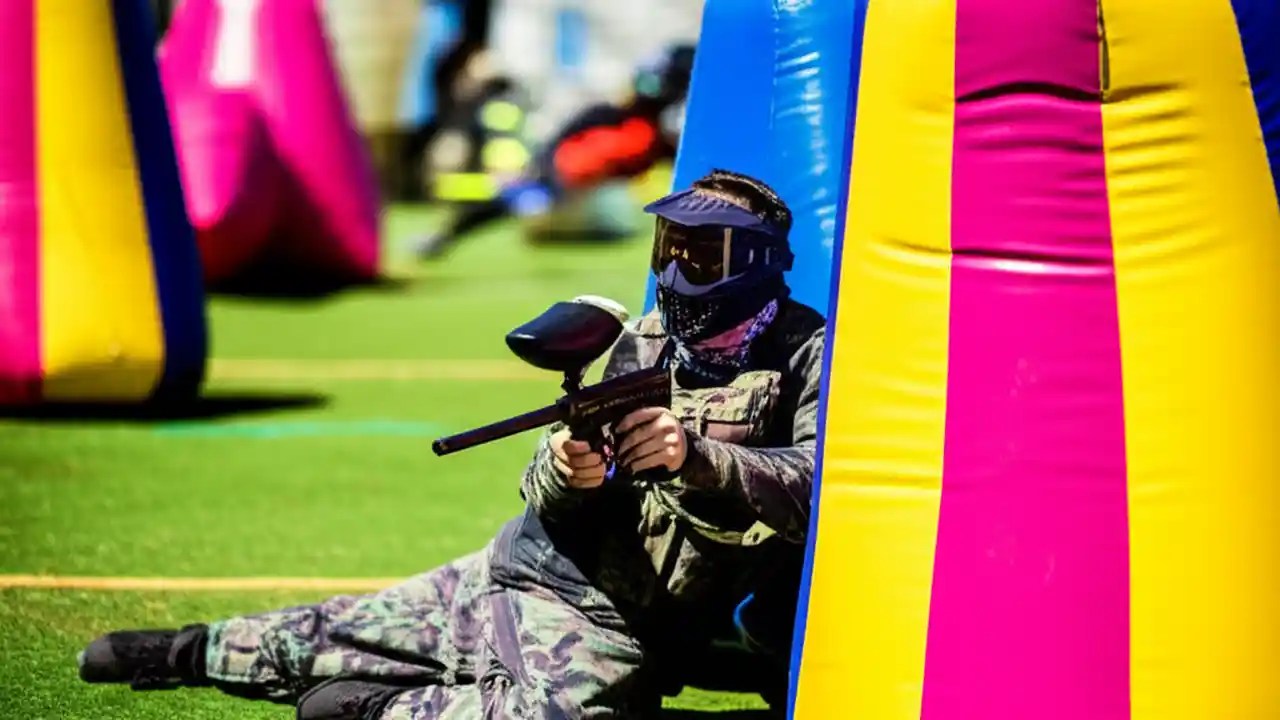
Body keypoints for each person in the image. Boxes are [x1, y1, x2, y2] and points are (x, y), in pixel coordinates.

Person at [76, 169, 826, 719]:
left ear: (754, 263)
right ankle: (179, 652)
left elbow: (822, 484)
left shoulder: (806, 352)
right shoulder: (644, 340)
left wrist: (694, 457)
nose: (673, 271)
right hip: (529, 571)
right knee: (324, 632)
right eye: (669, 247)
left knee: (568, 716)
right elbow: (553, 495)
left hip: (613, 626)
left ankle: (375, 713)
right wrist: (568, 471)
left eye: (700, 256)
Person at [413, 43, 696, 258]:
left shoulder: (660, 131)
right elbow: (556, 153)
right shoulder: (612, 118)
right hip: (567, 195)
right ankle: (444, 235)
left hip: (600, 201)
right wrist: (545, 180)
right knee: (519, 198)